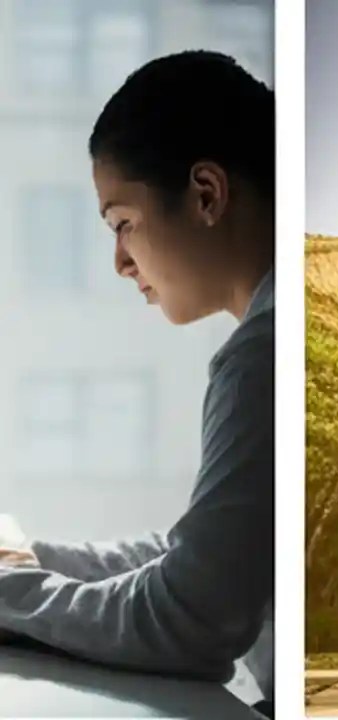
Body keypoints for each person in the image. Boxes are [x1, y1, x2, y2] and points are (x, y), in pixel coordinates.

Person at [0, 51, 275, 715]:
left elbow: (190, 616)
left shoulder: (262, 358)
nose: (120, 261)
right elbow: (206, 553)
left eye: (123, 222)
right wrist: (32, 556)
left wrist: (10, 592)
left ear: (206, 194)